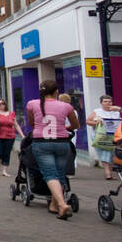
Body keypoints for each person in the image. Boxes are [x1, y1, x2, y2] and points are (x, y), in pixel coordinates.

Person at [26, 80, 80, 219]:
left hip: (42, 143)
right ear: (57, 92)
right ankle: (54, 206)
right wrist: (65, 128)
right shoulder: (66, 106)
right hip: (62, 142)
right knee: (60, 173)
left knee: (50, 174)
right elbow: (75, 125)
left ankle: (61, 205)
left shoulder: (32, 104)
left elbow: (32, 123)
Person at [86, 95, 122, 178]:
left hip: (113, 136)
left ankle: (109, 172)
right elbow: (88, 121)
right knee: (103, 153)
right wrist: (98, 123)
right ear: (101, 103)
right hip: (100, 136)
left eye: (109, 101)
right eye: (105, 101)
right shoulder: (97, 111)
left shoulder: (116, 112)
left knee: (111, 154)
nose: (108, 103)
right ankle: (108, 173)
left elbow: (119, 123)